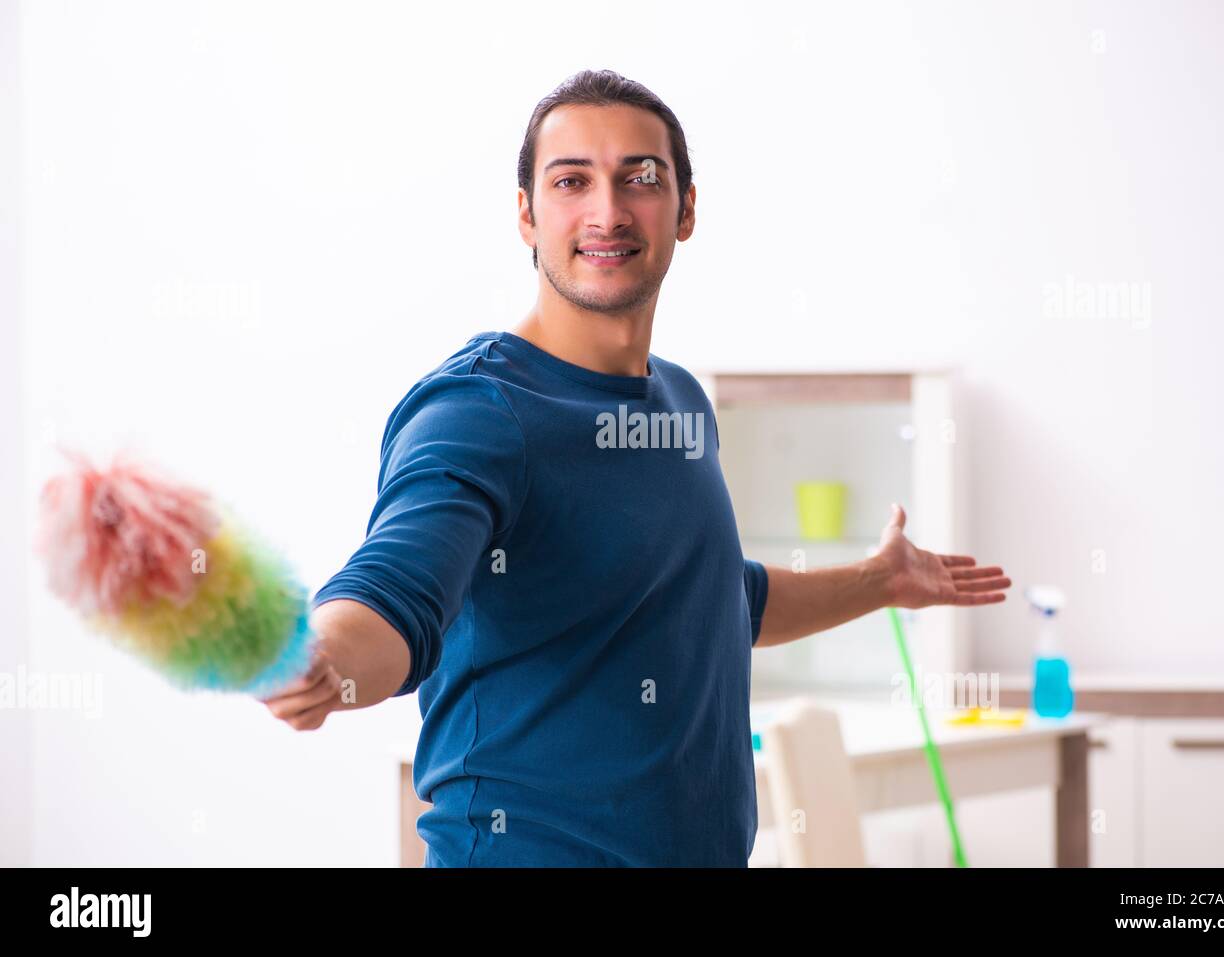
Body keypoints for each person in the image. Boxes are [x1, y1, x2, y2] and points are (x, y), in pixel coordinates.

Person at [261, 69, 1011, 866]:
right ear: (527, 214)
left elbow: (720, 597)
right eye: (571, 180)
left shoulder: (681, 401)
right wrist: (328, 655)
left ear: (686, 209)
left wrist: (879, 580)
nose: (608, 212)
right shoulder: (479, 412)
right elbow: (395, 586)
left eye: (640, 179)